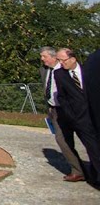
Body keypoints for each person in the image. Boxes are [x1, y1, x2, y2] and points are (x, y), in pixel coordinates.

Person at [53, 48, 100, 185]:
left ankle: (93, 172)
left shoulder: (88, 70)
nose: (61, 63)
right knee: (93, 148)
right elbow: (62, 97)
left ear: (73, 59)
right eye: (59, 60)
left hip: (94, 114)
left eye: (63, 60)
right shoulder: (60, 74)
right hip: (79, 118)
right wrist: (72, 116)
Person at [41, 47, 87, 182]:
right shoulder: (45, 70)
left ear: (53, 57)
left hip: (75, 111)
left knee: (87, 138)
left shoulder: (66, 71)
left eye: (44, 56)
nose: (42, 59)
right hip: (56, 111)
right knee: (62, 140)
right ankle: (78, 170)